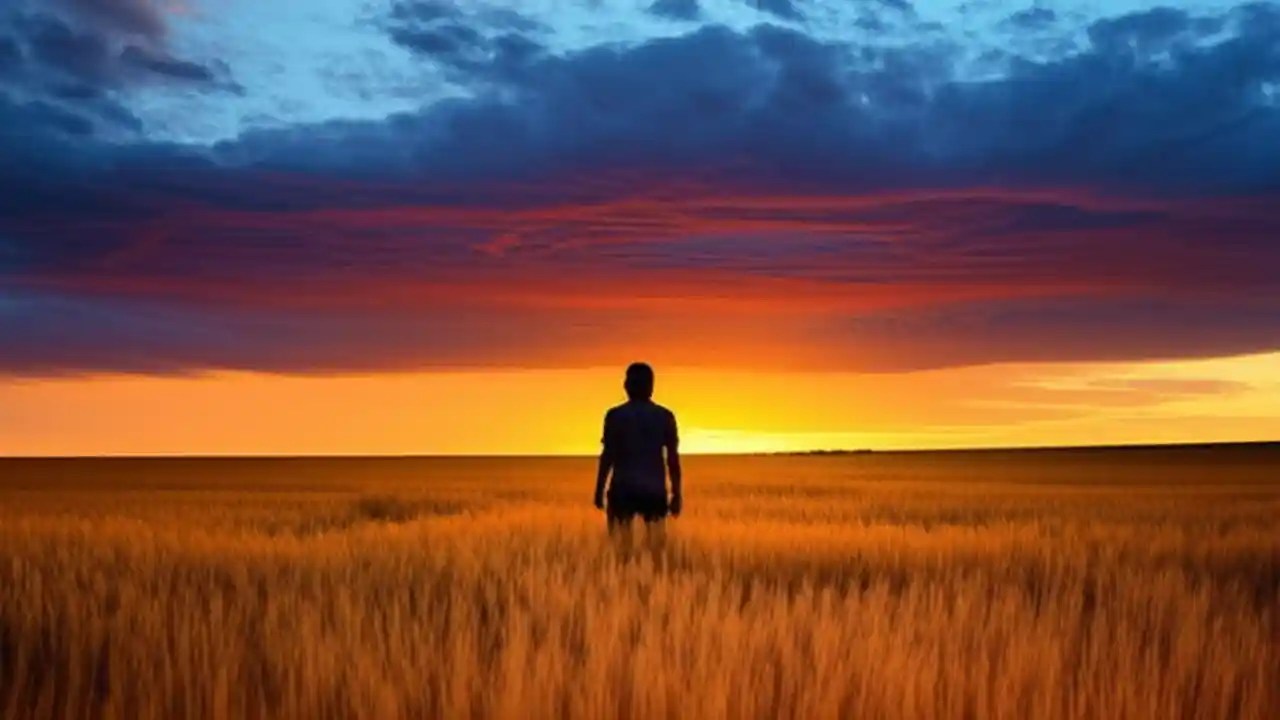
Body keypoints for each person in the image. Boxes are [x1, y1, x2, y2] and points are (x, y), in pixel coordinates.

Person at [593, 362, 682, 530]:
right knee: (655, 548)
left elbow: (608, 456)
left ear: (627, 385)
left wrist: (599, 489)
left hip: (623, 489)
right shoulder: (664, 416)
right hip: (654, 490)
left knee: (620, 549)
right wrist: (677, 494)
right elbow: (672, 459)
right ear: (651, 386)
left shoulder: (615, 416)